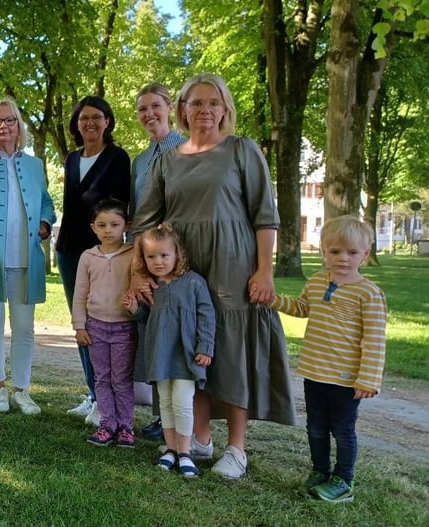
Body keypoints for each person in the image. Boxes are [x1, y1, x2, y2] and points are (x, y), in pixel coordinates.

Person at [132, 73, 295, 480]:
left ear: (225, 109)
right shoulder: (167, 160)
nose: (205, 110)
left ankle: (236, 448)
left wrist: (264, 270)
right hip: (182, 266)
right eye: (196, 103)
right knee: (190, 345)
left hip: (233, 262)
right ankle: (198, 438)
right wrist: (138, 273)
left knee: (233, 348)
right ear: (182, 110)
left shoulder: (243, 150)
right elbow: (146, 221)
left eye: (213, 103)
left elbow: (265, 216)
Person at [264, 216, 387, 502]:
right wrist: (272, 300)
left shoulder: (369, 294)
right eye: (335, 251)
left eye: (352, 252)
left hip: (346, 379)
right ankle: (320, 471)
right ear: (323, 251)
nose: (343, 258)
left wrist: (367, 379)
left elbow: (375, 339)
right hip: (315, 373)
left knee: (342, 430)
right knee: (316, 427)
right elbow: (301, 307)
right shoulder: (318, 281)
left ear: (365, 254)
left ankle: (343, 480)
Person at [0, 97, 56, 415]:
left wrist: (46, 223)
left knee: (24, 327)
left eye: (10, 120)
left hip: (26, 257)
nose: (4, 126)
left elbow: (47, 202)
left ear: (18, 126)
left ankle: (22, 389)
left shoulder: (35, 165)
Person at [55, 96, 131, 423]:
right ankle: (93, 393)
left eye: (97, 117)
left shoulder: (117, 157)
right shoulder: (72, 159)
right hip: (70, 251)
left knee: (104, 325)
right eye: (84, 118)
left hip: (104, 255)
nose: (90, 123)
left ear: (108, 122)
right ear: (76, 124)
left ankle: (107, 399)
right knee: (82, 323)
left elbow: (121, 205)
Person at [124, 224, 215, 478]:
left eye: (164, 255)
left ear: (177, 253)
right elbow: (148, 318)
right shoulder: (153, 287)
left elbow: (207, 317)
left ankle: (185, 452)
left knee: (183, 403)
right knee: (165, 403)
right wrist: (135, 310)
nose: (158, 262)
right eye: (151, 256)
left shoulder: (194, 283)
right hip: (160, 355)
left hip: (186, 356)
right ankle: (171, 449)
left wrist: (205, 347)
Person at [130, 83, 189, 440]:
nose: (149, 114)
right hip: (147, 258)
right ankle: (160, 415)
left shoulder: (186, 149)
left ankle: (185, 419)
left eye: (155, 106)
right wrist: (137, 265)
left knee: (175, 336)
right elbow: (138, 215)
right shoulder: (139, 160)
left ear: (169, 107)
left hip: (177, 259)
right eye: (142, 109)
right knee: (151, 334)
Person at [72, 199, 137, 447]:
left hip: (124, 329)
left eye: (114, 224)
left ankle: (126, 427)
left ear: (126, 226)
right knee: (101, 378)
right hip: (95, 327)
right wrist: (80, 326)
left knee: (121, 379)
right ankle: (107, 424)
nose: (108, 230)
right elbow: (79, 293)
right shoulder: (88, 257)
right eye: (102, 225)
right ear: (93, 228)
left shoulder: (133, 255)